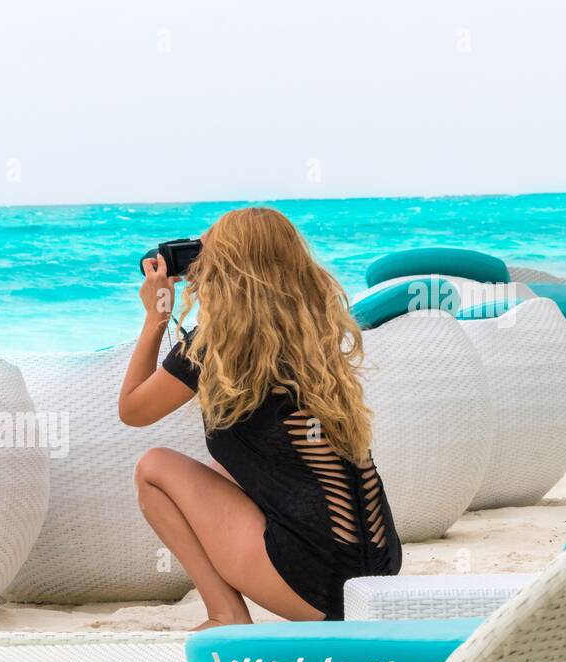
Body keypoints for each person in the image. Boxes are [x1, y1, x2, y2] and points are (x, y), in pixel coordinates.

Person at [118, 207, 400, 629]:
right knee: (223, 468)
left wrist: (157, 315)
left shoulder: (216, 347)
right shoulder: (314, 339)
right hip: (378, 571)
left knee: (154, 468)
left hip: (316, 584)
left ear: (226, 269)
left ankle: (225, 614)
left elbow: (133, 410)